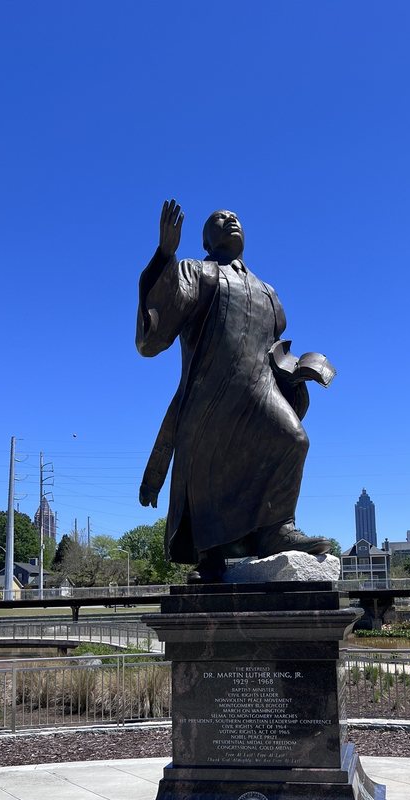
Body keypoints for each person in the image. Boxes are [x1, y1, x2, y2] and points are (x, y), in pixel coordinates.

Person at [136, 199, 331, 582]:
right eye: (220, 220)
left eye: (235, 217)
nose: (230, 220)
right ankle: (209, 556)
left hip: (260, 389)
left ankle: (277, 529)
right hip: (211, 394)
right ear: (206, 241)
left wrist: (300, 369)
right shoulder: (197, 272)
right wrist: (165, 256)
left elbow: (274, 351)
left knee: (293, 440)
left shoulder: (268, 292)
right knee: (207, 471)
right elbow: (154, 337)